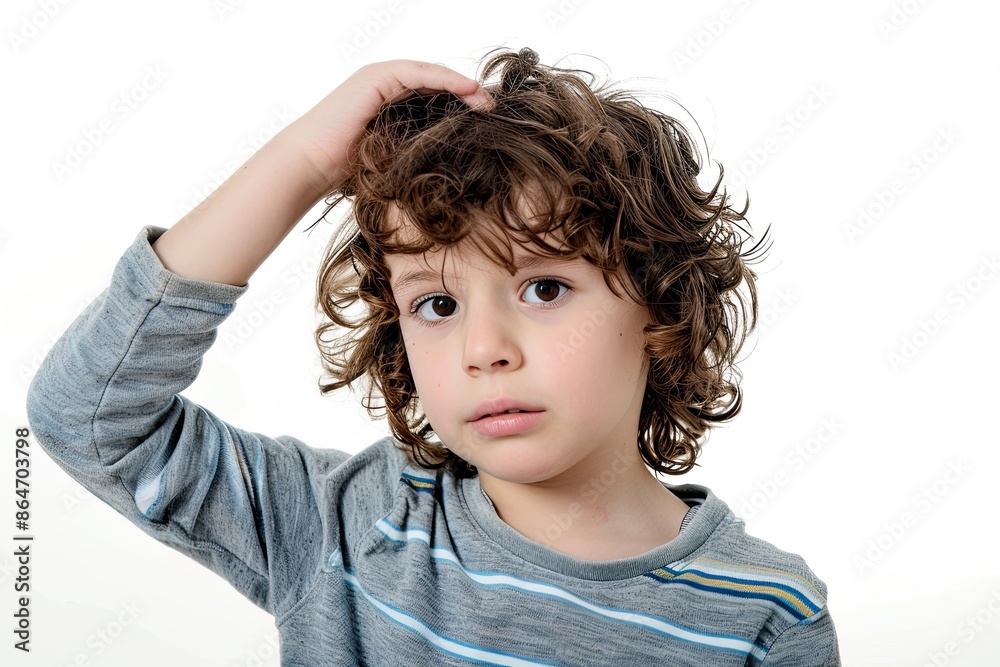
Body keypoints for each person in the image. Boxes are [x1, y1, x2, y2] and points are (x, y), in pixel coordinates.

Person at [27, 47, 840, 665]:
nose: (484, 349)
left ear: (661, 303)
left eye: (545, 289)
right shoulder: (345, 526)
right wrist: (307, 162)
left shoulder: (763, 615)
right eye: (438, 305)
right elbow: (91, 417)